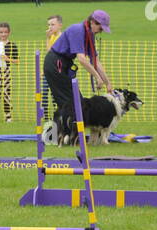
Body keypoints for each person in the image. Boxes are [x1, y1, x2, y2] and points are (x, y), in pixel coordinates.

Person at [45, 10, 113, 140]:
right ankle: (59, 136)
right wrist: (97, 78)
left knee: (77, 102)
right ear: (93, 22)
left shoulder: (89, 34)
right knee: (69, 103)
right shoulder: (78, 30)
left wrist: (107, 82)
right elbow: (81, 59)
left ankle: (59, 136)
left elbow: (95, 60)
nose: (101, 31)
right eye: (101, 27)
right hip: (55, 63)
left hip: (64, 63)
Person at [41, 14, 63, 117]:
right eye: (49, 25)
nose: (50, 27)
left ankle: (57, 112)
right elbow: (48, 52)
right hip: (49, 69)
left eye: (53, 24)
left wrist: (48, 38)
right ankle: (45, 114)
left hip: (57, 70)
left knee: (55, 93)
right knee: (44, 91)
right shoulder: (52, 36)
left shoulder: (61, 38)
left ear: (60, 25)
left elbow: (51, 52)